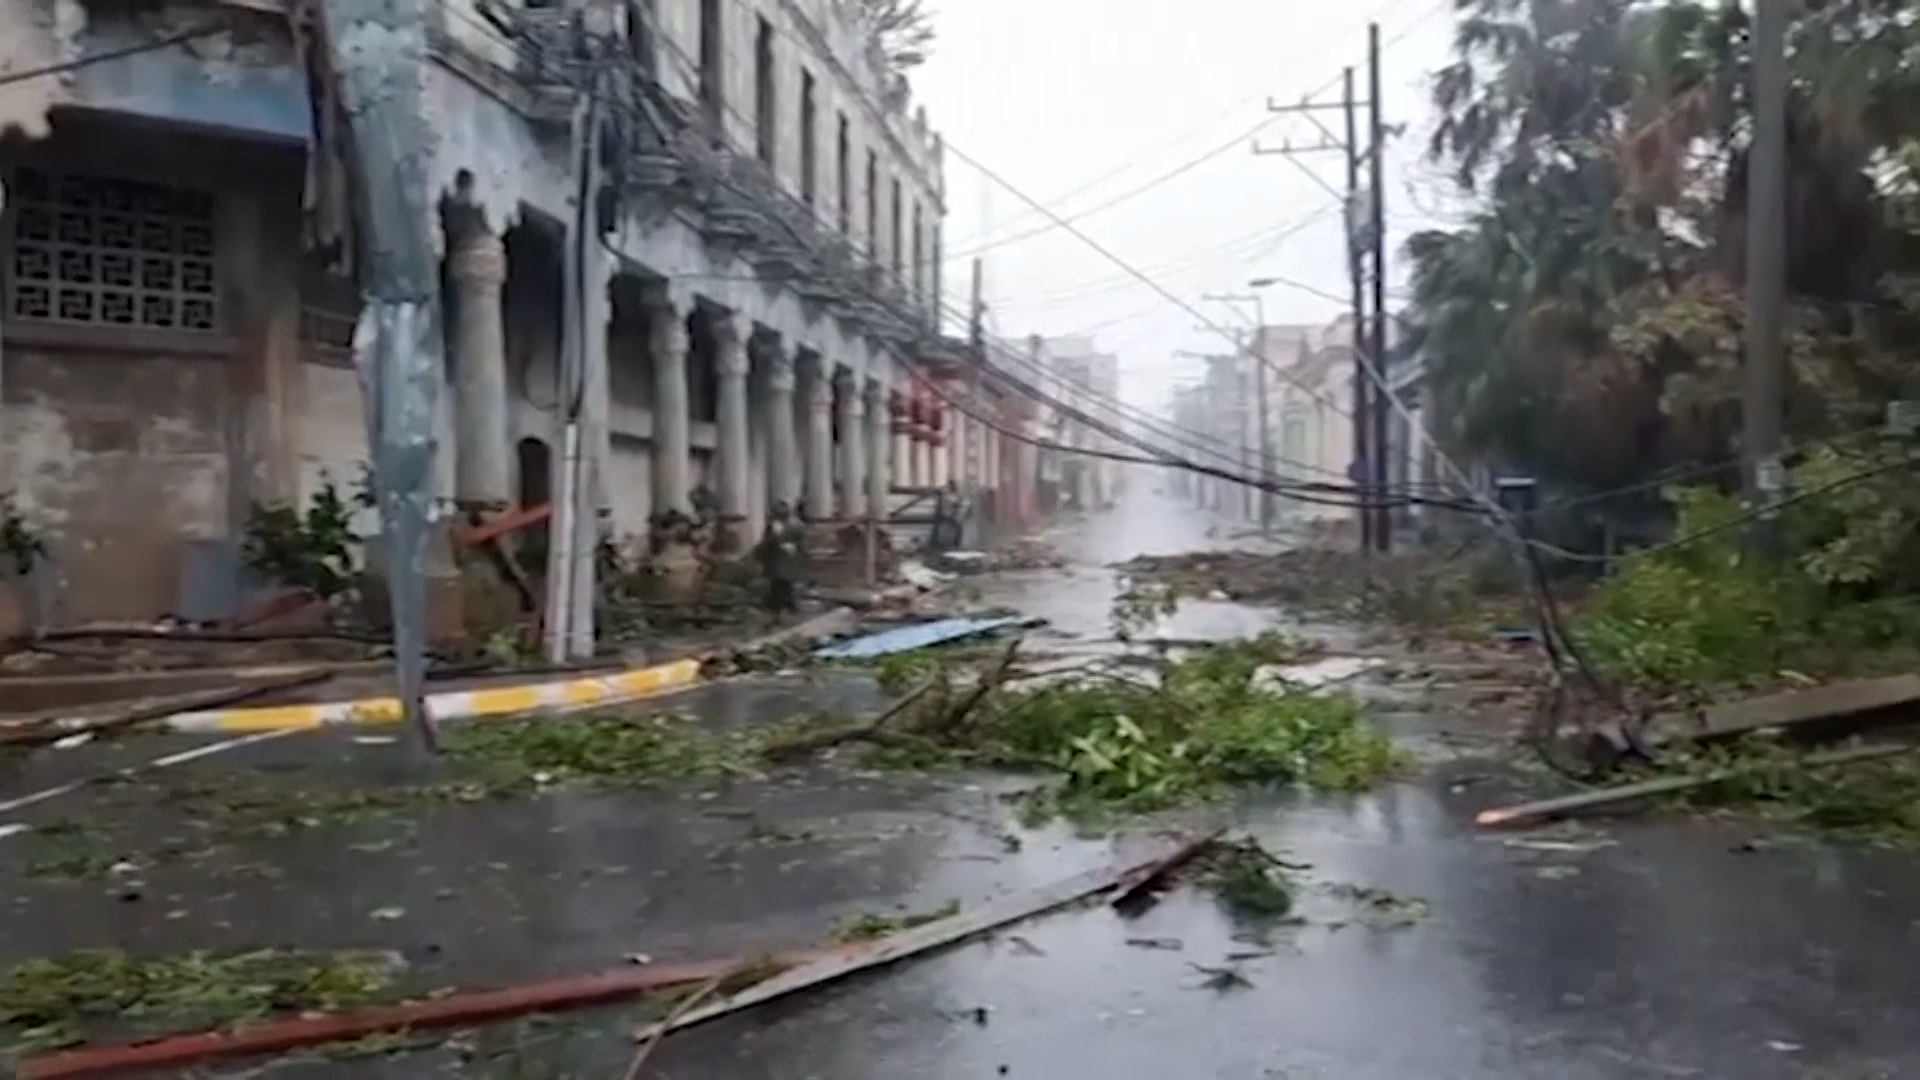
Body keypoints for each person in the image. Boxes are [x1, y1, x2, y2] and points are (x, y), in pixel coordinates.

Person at [757, 499, 802, 614]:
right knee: (781, 584)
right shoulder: (781, 525)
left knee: (782, 584)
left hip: (782, 561)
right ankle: (784, 605)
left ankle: (782, 606)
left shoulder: (787, 525)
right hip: (780, 560)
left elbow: (768, 542)